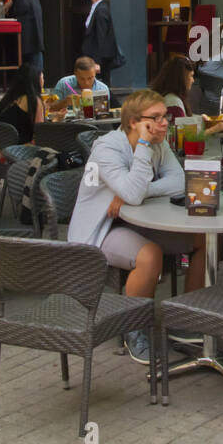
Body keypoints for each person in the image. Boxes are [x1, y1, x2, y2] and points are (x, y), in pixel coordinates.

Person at [67, 89, 203, 363]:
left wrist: (144, 190)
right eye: (156, 117)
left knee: (202, 239)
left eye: (165, 116)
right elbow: (131, 195)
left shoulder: (158, 143)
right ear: (133, 122)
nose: (165, 122)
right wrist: (142, 147)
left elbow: (179, 181)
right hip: (100, 229)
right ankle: (134, 331)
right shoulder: (107, 148)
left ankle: (189, 318)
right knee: (149, 255)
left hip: (135, 222)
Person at [149, 56, 223, 131]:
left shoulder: (172, 98)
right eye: (191, 76)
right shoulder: (173, 102)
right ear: (181, 78)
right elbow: (185, 136)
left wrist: (201, 118)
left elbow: (184, 121)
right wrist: (214, 129)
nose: (193, 80)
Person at [80, 0, 124, 81]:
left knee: (100, 89)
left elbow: (102, 37)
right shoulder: (96, 7)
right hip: (92, 58)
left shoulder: (101, 10)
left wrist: (97, 62)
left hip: (97, 61)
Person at [0, 64, 44, 144]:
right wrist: (56, 120)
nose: (43, 81)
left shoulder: (10, 97)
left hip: (1, 147)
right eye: (42, 78)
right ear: (36, 81)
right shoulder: (33, 100)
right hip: (20, 151)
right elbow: (40, 133)